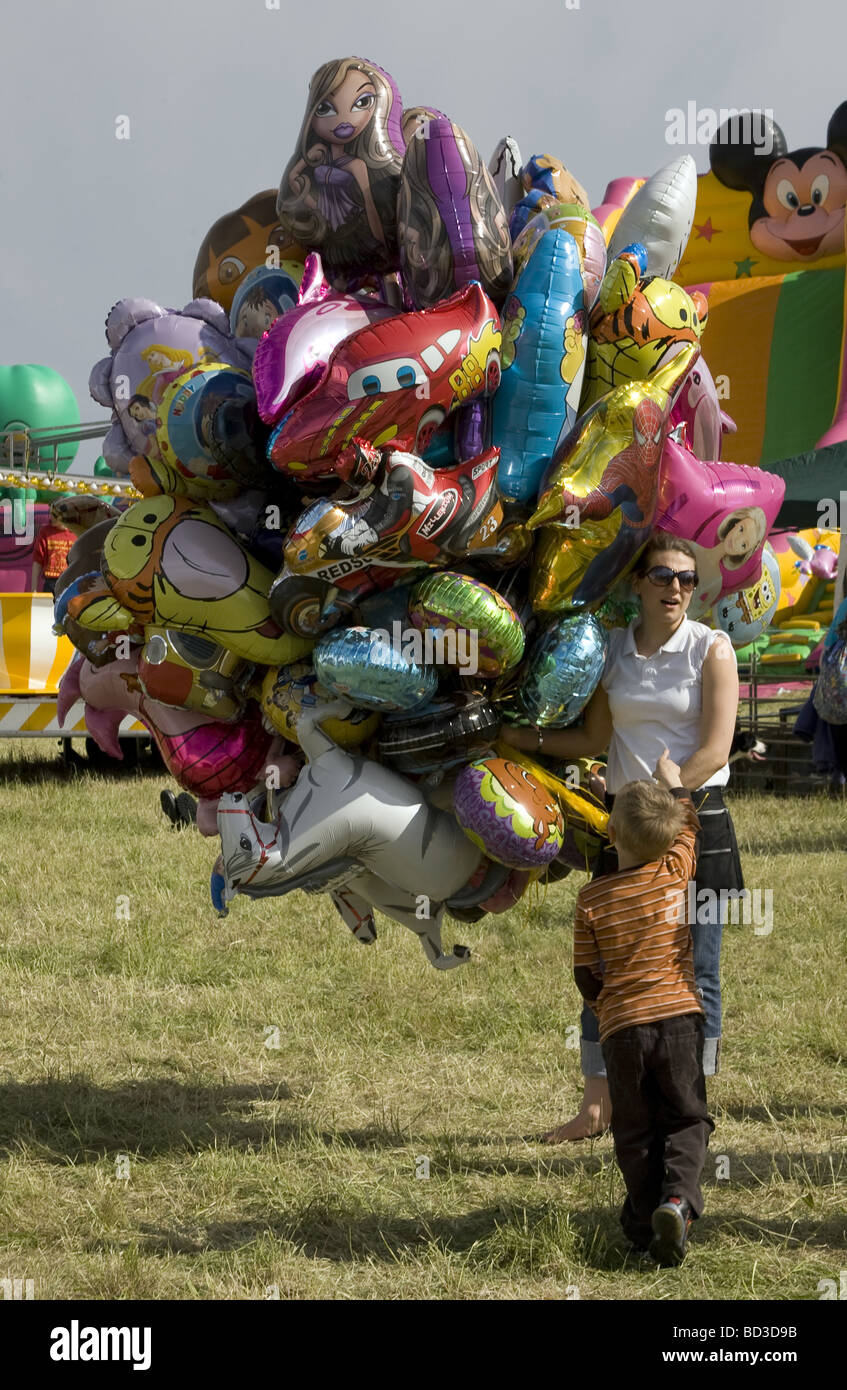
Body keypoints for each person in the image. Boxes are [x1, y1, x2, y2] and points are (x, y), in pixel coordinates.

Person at [503, 530, 741, 1140]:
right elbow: (591, 740)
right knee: (606, 966)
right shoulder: (612, 650)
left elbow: (716, 748)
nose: (676, 589)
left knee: (699, 969)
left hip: (694, 819)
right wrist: (524, 741)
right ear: (637, 582)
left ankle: (694, 1104)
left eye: (687, 579)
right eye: (663, 576)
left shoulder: (711, 648)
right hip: (625, 828)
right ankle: (596, 1107)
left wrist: (669, 789)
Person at [574, 750, 714, 1264]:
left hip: (622, 1031)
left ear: (611, 837)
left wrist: (607, 1007)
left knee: (634, 1130)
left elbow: (586, 976)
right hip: (678, 1018)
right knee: (685, 1118)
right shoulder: (675, 874)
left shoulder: (591, 899)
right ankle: (677, 1203)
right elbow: (690, 828)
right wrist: (675, 784)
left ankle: (641, 1227)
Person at [32, 503, 77, 594]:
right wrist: (33, 589)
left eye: (54, 514)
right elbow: (37, 562)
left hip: (69, 582)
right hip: (50, 583)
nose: (50, 517)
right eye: (50, 513)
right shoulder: (45, 532)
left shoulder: (75, 532)